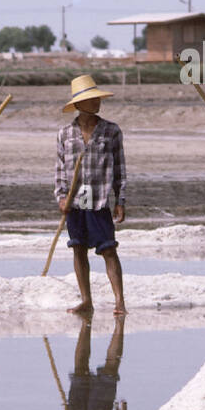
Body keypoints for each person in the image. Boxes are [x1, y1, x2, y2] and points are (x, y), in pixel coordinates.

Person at [55, 74, 127, 316]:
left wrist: (120, 201)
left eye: (97, 98)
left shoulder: (111, 131)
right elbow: (60, 169)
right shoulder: (65, 134)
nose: (96, 103)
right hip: (76, 201)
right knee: (78, 248)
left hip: (100, 198)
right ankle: (86, 300)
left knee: (108, 249)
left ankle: (119, 301)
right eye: (90, 99)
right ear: (78, 105)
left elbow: (120, 169)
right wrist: (61, 198)